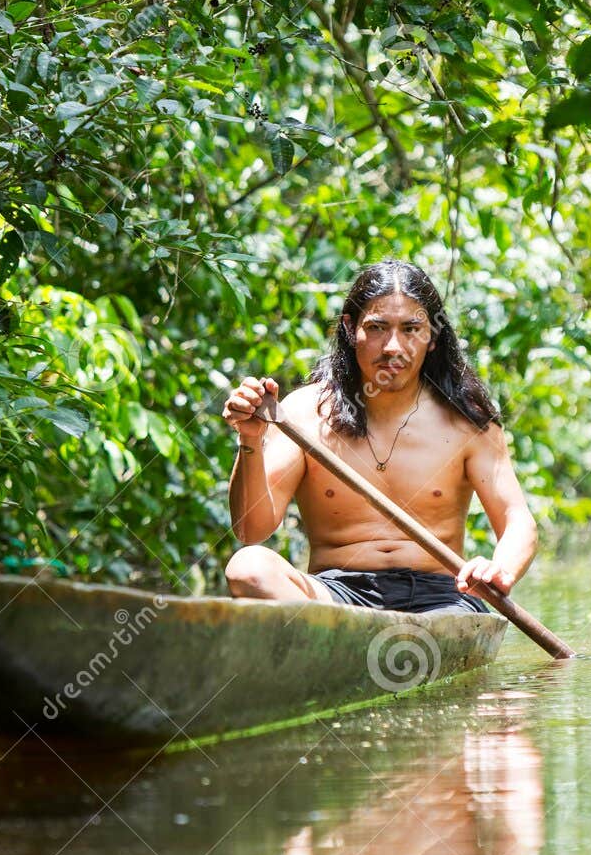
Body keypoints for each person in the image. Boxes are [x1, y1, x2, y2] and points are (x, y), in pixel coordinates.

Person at [222, 259, 537, 614]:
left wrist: (500, 570)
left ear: (431, 337)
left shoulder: (466, 420)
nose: (393, 346)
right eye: (376, 328)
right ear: (349, 327)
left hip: (442, 599)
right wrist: (249, 440)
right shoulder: (303, 414)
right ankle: (335, 642)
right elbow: (251, 530)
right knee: (248, 567)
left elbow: (518, 520)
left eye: (411, 329)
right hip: (337, 596)